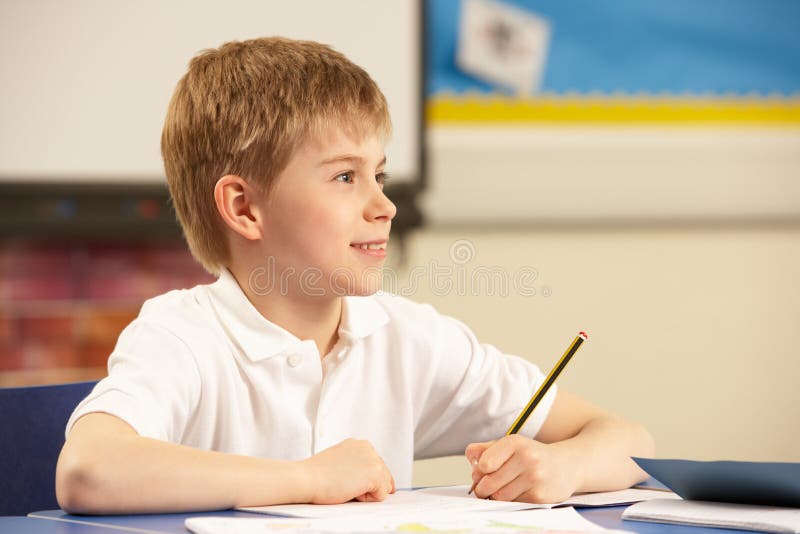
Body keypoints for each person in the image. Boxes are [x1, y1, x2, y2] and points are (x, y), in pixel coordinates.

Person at [55, 37, 654, 514]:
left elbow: (630, 441)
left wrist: (561, 469)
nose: (384, 206)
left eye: (380, 175)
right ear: (243, 208)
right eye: (345, 177)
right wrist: (305, 479)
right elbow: (88, 470)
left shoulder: (409, 338)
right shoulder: (182, 335)